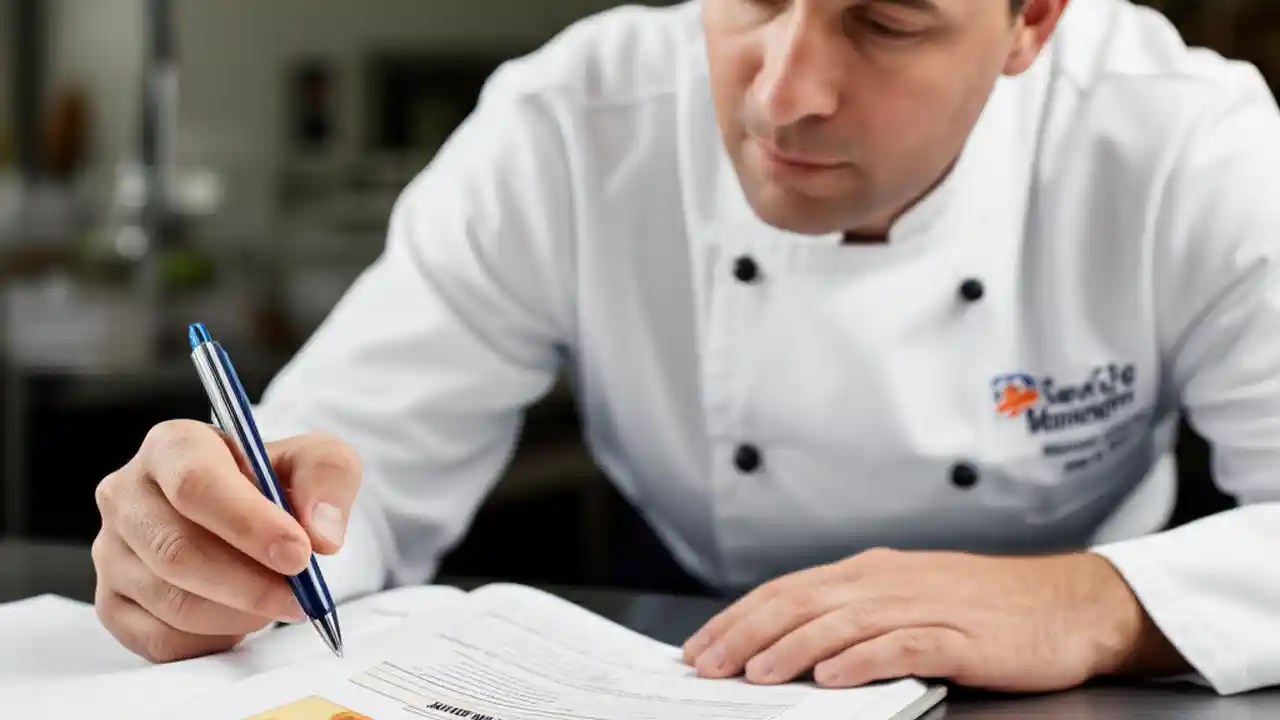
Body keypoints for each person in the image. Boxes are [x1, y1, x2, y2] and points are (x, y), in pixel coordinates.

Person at [90, 0, 1280, 695]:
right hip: (688, 680)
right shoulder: (568, 124)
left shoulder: (1179, 140)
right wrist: (225, 549)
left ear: (1029, 20)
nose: (783, 93)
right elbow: (356, 465)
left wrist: (1099, 604)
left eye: (883, 20)